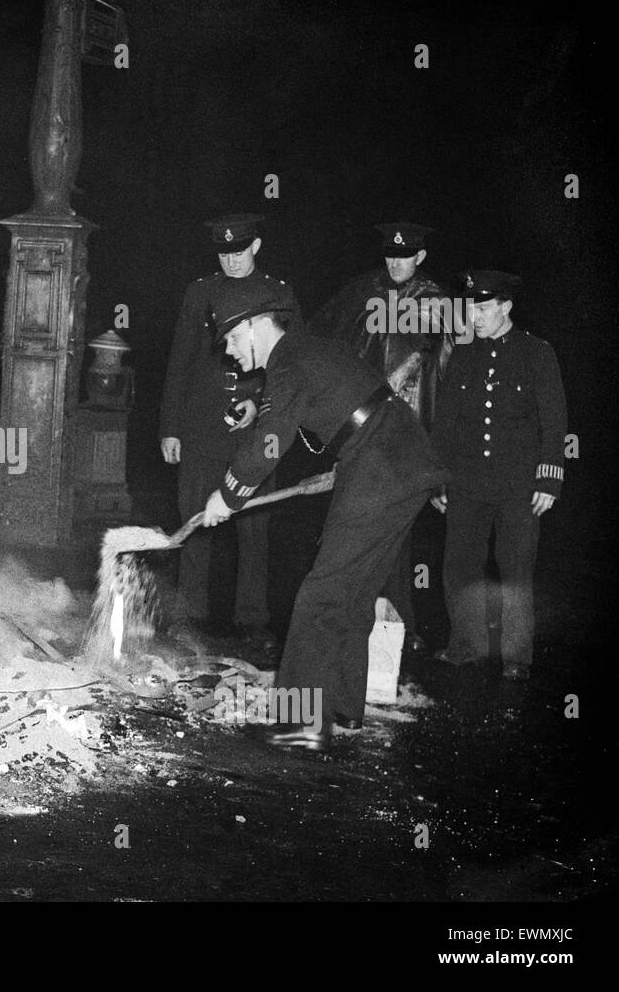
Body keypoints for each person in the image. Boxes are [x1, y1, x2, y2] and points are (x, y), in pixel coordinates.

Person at [200, 276, 448, 750]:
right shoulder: (306, 350)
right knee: (352, 594)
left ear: (255, 325)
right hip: (394, 459)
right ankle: (342, 709)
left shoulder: (288, 359)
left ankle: (298, 725)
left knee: (319, 597)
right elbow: (349, 405)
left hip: (381, 463)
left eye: (232, 338)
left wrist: (228, 495)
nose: (230, 351)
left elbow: (271, 441)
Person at [159, 214, 303, 652]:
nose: (232, 261)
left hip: (255, 431)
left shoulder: (278, 294)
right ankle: (188, 615)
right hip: (201, 424)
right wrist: (170, 427)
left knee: (253, 525)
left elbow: (290, 364)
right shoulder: (200, 292)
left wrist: (258, 402)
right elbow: (180, 360)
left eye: (239, 252)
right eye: (224, 254)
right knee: (196, 519)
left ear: (256, 246)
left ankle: (253, 619)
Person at [309, 222, 450, 655]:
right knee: (350, 526)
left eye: (404, 256)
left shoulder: (437, 302)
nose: (395, 262)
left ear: (420, 258)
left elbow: (448, 374)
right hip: (359, 429)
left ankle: (398, 629)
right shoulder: (360, 291)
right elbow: (320, 334)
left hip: (408, 433)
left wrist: (440, 456)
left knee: (397, 532)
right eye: (390, 255)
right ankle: (345, 623)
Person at [429, 270, 566, 679]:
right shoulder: (464, 355)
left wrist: (549, 477)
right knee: (460, 567)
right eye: (470, 308)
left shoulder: (536, 352)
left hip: (517, 485)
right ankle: (465, 646)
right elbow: (447, 421)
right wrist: (438, 477)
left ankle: (516, 658)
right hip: (467, 482)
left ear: (506, 307)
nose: (474, 317)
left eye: (483, 308)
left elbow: (554, 419)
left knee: (515, 569)